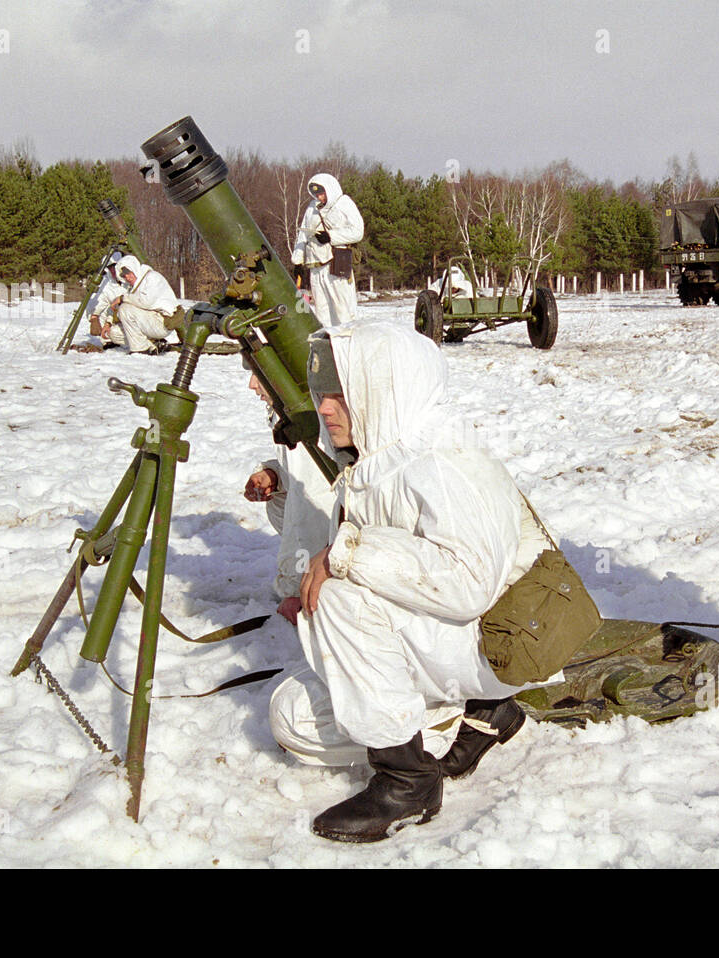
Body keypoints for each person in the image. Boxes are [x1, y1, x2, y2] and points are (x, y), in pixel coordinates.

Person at [268, 322, 548, 842]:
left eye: (341, 394)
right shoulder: (383, 455)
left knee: (337, 598)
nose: (325, 408)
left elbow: (469, 581)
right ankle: (483, 714)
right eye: (322, 393)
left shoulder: (442, 461)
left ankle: (408, 780)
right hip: (471, 641)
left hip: (506, 641)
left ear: (385, 389)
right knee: (290, 718)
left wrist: (347, 553)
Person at [242, 370, 337, 624]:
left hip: (340, 538)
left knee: (303, 503)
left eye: (257, 373)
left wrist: (296, 591)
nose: (252, 385)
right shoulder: (296, 408)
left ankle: (320, 587)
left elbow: (314, 500)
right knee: (282, 501)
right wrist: (274, 474)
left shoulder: (306, 418)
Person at [290, 173, 364, 327]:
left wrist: (331, 237)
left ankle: (347, 346)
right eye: (316, 193)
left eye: (322, 193)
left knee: (343, 310)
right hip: (315, 265)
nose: (319, 197)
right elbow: (303, 235)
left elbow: (357, 231)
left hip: (336, 263)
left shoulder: (344, 203)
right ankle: (327, 346)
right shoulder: (312, 207)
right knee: (322, 312)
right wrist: (298, 261)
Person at [92, 254, 181, 354]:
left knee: (125, 309)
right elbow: (116, 304)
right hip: (149, 322)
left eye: (128, 272)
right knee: (113, 333)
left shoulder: (152, 277)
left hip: (163, 322)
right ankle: (152, 345)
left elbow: (146, 302)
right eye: (123, 275)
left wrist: (122, 298)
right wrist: (108, 322)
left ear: (134, 268)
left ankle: (140, 349)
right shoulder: (133, 285)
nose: (127, 277)